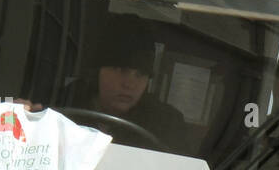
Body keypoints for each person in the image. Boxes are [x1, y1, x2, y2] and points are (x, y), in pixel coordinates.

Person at [67, 15, 191, 153]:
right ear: (98, 71)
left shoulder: (166, 125)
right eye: (121, 70)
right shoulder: (60, 106)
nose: (130, 85)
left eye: (141, 74)